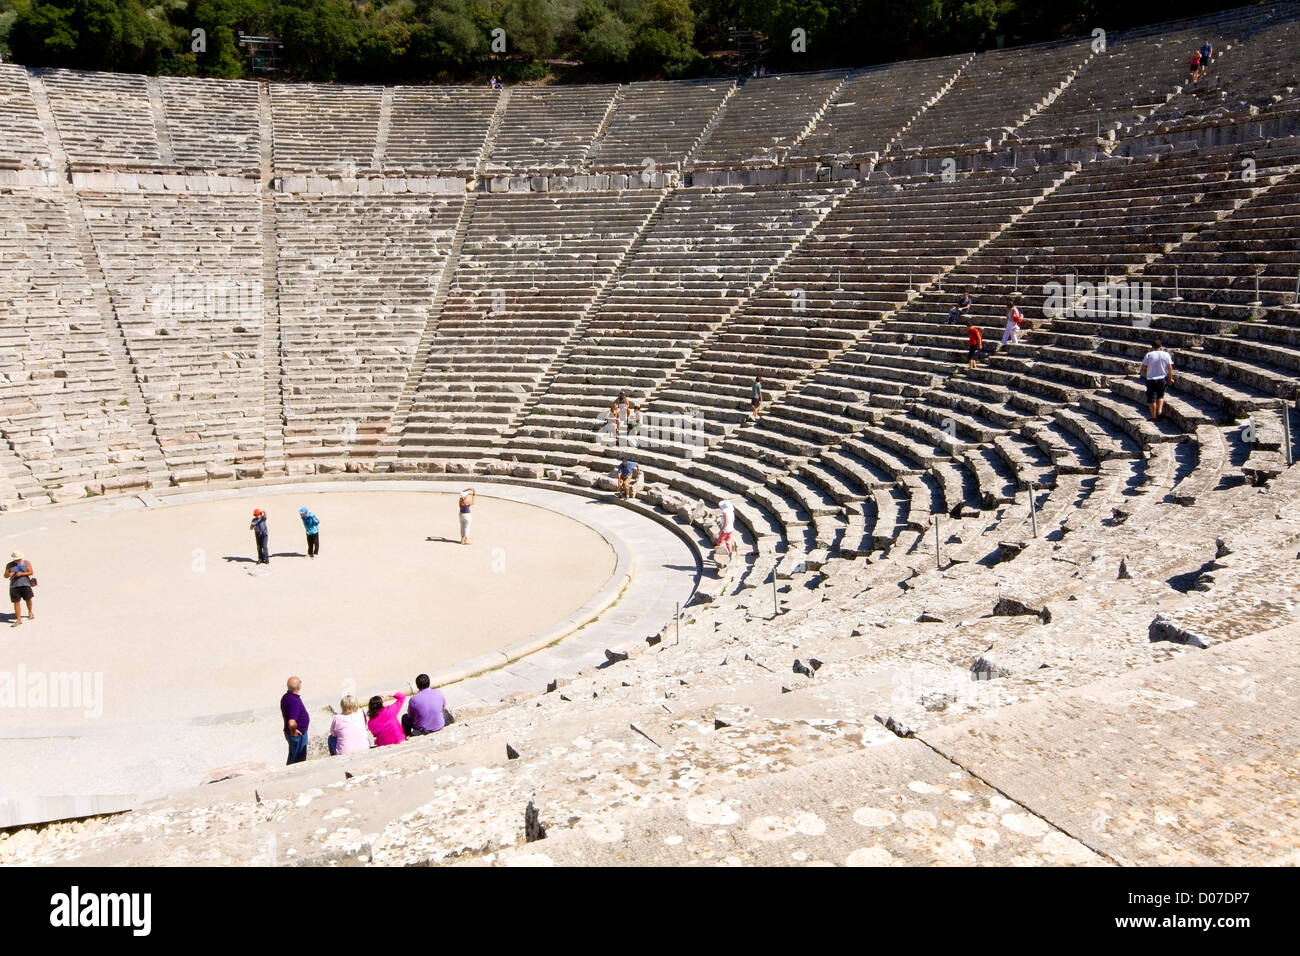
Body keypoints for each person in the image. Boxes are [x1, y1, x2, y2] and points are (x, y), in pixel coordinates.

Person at [1139, 340, 1175, 422]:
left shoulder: (1149, 355)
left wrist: (1150, 368)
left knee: (1152, 398)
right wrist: (1170, 378)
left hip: (1151, 379)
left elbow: (1143, 367)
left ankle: (1153, 416)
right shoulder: (1166, 354)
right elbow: (1170, 367)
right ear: (1161, 346)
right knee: (1160, 396)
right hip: (1162, 379)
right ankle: (1159, 411)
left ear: (1152, 347)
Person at [281, 676, 310, 765]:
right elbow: (292, 722)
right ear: (299, 687)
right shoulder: (294, 702)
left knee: (295, 756)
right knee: (297, 758)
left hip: (294, 733)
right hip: (297, 736)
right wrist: (294, 733)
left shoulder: (286, 697)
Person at [5, 551, 35, 627]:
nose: (17, 560)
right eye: (16, 559)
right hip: (14, 586)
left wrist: (22, 574)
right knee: (16, 603)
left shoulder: (26, 562)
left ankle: (30, 612)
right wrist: (9, 573)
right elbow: (5, 576)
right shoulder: (9, 565)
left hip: (25, 584)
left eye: (18, 559)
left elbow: (31, 572)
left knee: (28, 599)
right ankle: (18, 620)